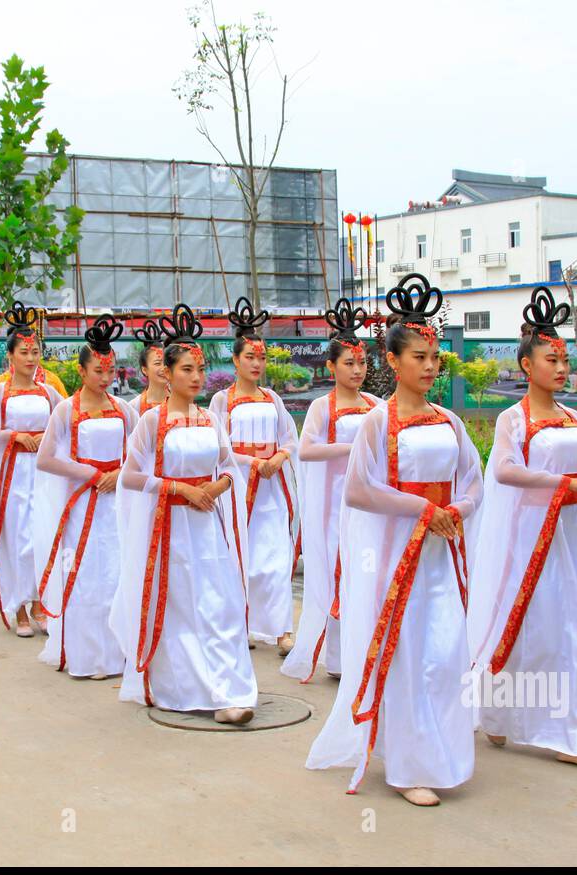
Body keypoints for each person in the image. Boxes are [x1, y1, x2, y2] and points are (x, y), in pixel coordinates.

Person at [307, 274, 483, 807]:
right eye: (420, 356)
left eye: (435, 356)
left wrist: (456, 508)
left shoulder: (450, 421)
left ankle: (444, 752)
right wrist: (420, 509)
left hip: (440, 556)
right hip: (393, 559)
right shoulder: (376, 423)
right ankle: (407, 766)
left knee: (446, 650)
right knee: (406, 654)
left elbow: (474, 480)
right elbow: (359, 491)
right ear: (394, 362)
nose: (430, 366)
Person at [466, 286, 577, 772]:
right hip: (532, 542)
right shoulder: (512, 420)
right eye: (552, 360)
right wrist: (564, 483)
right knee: (529, 630)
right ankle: (499, 713)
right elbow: (502, 471)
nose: (562, 369)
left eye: (565, 360)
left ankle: (572, 733)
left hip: (576, 540)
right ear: (526, 366)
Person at [109, 304, 255, 725]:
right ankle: (189, 687)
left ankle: (231, 689)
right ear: (166, 373)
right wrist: (178, 487)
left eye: (201, 368)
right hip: (169, 528)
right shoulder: (151, 422)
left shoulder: (211, 418)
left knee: (219, 603)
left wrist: (217, 485)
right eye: (187, 369)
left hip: (208, 525)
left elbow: (228, 466)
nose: (196, 377)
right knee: (179, 607)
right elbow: (132, 476)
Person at [32, 316, 139, 678]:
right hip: (83, 503)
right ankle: (89, 653)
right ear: (81, 370)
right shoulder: (66, 410)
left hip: (118, 502)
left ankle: (120, 651)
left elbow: (142, 457)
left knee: (117, 571)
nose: (106, 378)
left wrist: (118, 474)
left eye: (110, 371)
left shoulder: (125, 411)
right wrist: (92, 475)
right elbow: (47, 459)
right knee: (87, 573)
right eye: (98, 371)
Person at [282, 300, 381, 682]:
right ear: (331, 367)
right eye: (348, 364)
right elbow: (307, 450)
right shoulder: (323, 407)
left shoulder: (376, 405)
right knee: (338, 572)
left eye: (361, 363)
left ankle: (364, 649)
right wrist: (349, 449)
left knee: (366, 571)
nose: (357, 371)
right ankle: (338, 658)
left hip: (370, 503)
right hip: (335, 505)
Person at [207, 298, 299, 654]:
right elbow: (219, 446)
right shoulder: (221, 401)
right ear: (235, 360)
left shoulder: (272, 397)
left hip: (272, 489)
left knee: (275, 558)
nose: (257, 364)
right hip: (240, 488)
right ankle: (241, 622)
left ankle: (281, 631)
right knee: (240, 555)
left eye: (261, 358)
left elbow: (289, 438)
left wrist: (279, 456)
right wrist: (249, 462)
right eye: (250, 357)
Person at [0, 305, 62, 633]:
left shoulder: (48, 393)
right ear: (10, 355)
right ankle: (19, 606)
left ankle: (41, 602)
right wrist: (13, 436)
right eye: (24, 352)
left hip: (41, 473)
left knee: (42, 535)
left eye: (36, 351)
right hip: (12, 474)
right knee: (18, 537)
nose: (31, 358)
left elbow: (62, 430)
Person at [132, 320, 170, 415]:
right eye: (157, 363)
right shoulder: (133, 407)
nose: (164, 368)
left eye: (166, 362)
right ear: (144, 370)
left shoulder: (182, 401)